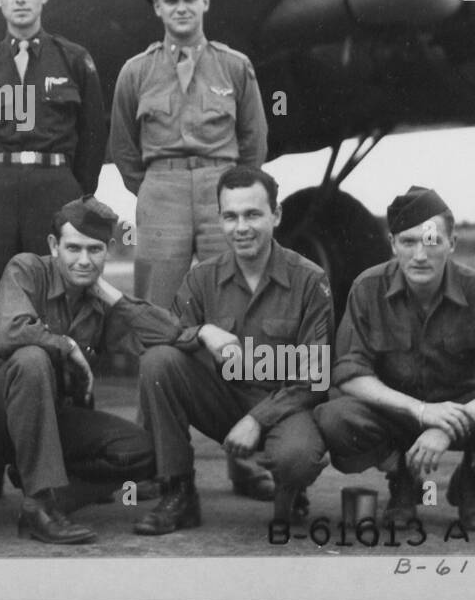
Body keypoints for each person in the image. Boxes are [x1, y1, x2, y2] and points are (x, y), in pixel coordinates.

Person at [0, 0, 106, 509]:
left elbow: (92, 138)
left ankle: (72, 464)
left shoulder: (75, 61)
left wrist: (69, 197)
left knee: (62, 318)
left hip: (55, 191)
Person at [110, 0, 272, 500]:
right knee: (158, 320)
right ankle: (158, 459)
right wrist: (160, 189)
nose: (181, 7)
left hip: (224, 188)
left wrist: (224, 188)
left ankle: (245, 458)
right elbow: (124, 150)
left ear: (205, 1)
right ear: (157, 7)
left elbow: (254, 143)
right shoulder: (136, 71)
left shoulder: (234, 66)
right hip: (160, 192)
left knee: (238, 316)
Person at [315, 187, 475, 528]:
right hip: (397, 415)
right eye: (408, 241)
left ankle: (473, 474)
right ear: (392, 244)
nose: (419, 255)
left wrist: (450, 424)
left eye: (431, 241)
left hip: (467, 414)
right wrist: (421, 411)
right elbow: (349, 370)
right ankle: (402, 476)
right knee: (334, 417)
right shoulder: (367, 288)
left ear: (452, 243)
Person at [134, 167, 333, 535]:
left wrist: (258, 419)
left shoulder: (309, 280)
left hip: (284, 406)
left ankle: (290, 491)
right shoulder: (202, 278)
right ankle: (177, 491)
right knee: (159, 361)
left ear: (276, 215)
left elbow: (315, 376)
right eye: (230, 216)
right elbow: (154, 333)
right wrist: (202, 332)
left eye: (253, 214)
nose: (241, 227)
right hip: (223, 401)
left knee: (296, 459)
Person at [0, 197, 168, 545]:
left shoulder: (97, 300)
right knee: (32, 358)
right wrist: (67, 346)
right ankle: (41, 502)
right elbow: (8, 332)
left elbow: (162, 336)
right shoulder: (26, 269)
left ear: (108, 250)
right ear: (54, 245)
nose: (84, 260)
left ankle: (48, 503)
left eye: (95, 249)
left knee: (144, 450)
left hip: (52, 423)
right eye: (73, 248)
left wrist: (110, 294)